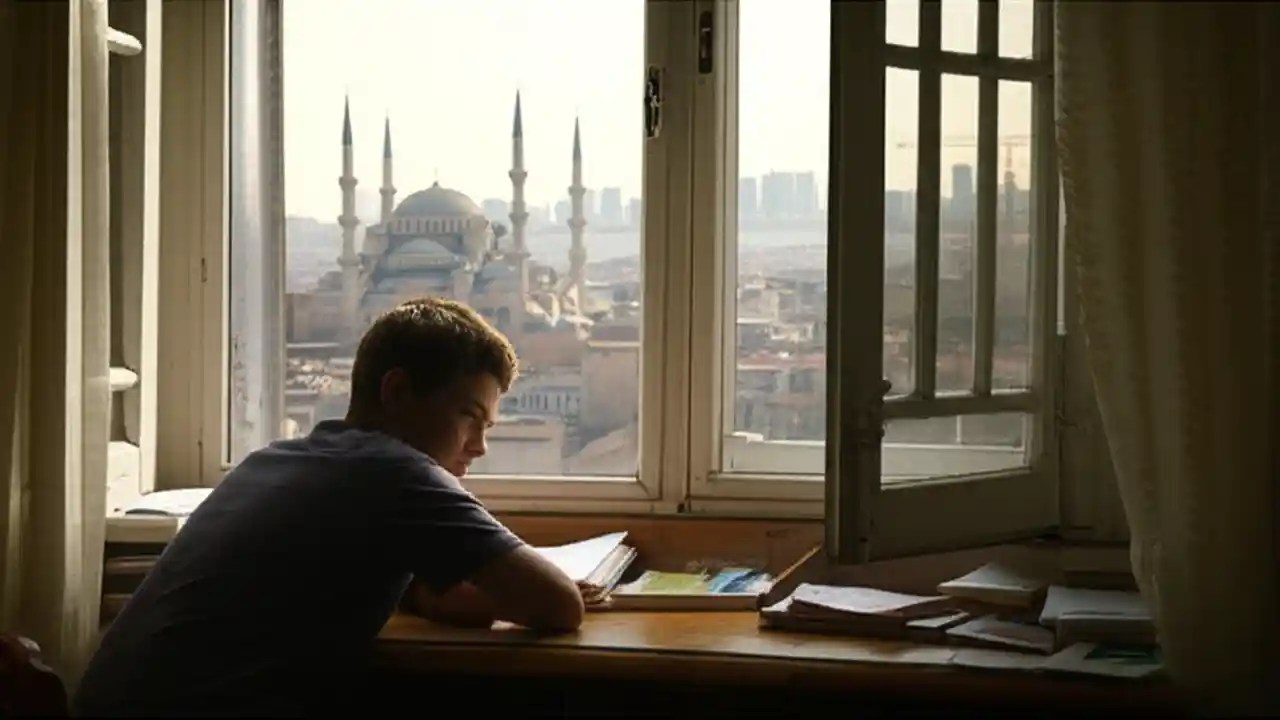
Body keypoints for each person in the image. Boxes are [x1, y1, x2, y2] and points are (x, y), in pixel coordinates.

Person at [74, 297, 584, 717]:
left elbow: (415, 592)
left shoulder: (270, 461)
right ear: (398, 392)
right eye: (469, 417)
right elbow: (558, 604)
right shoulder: (396, 471)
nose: (478, 446)